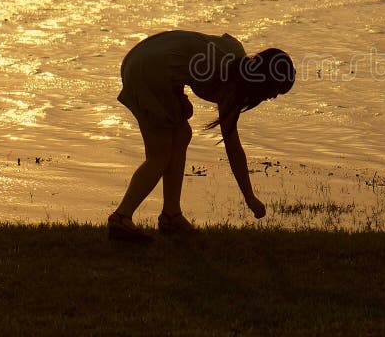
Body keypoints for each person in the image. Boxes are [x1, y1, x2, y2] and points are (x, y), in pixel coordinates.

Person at [108, 30, 295, 242]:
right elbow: (233, 148)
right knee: (159, 154)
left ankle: (171, 215)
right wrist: (250, 198)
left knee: (181, 135)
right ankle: (121, 217)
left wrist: (178, 90)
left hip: (143, 56)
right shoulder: (231, 87)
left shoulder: (234, 49)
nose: (272, 97)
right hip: (149, 70)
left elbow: (189, 53)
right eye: (276, 91)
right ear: (265, 82)